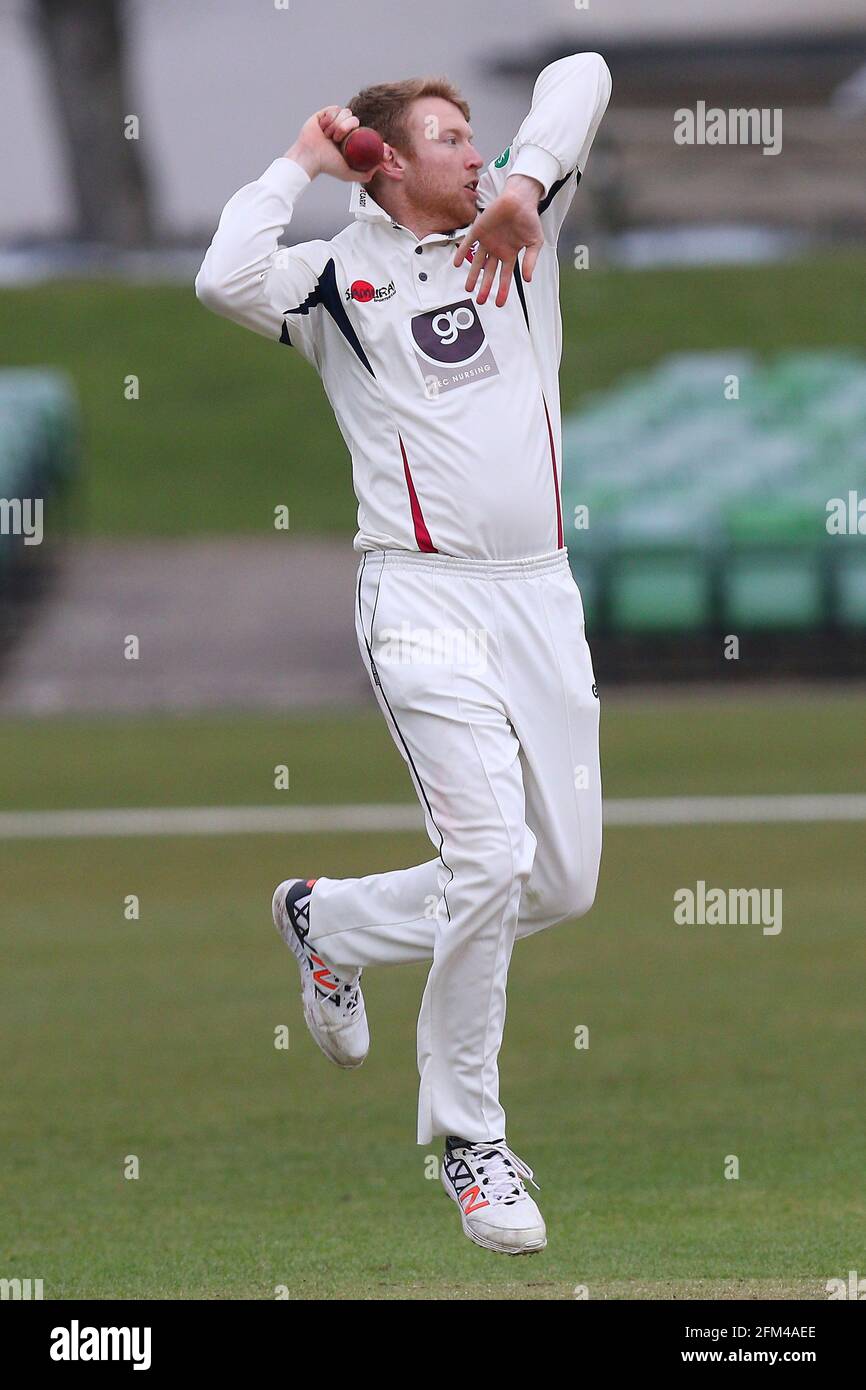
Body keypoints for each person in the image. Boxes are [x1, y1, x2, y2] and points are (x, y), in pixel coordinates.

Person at [195, 51, 612, 1255]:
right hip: (420, 600)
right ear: (384, 170)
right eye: (443, 137)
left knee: (561, 880)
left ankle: (328, 924)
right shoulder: (336, 276)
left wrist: (527, 179)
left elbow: (581, 70)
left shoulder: (518, 220)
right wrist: (297, 161)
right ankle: (470, 1144)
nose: (470, 151)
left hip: (538, 598)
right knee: (486, 853)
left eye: (472, 135)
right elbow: (222, 277)